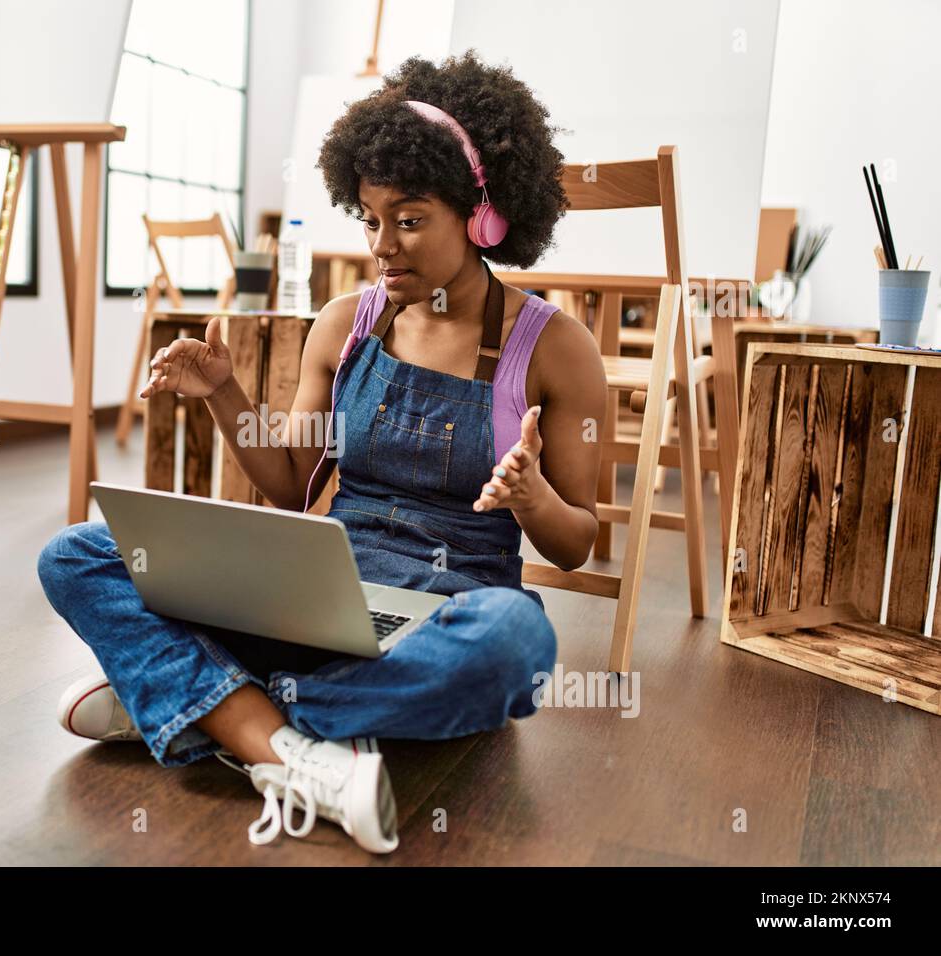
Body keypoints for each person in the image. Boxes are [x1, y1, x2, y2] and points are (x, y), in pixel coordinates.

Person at [38, 50, 606, 854]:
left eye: (410, 220)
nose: (382, 245)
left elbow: (577, 544)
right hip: (313, 595)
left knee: (520, 642)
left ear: (483, 215)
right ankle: (278, 736)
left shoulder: (555, 349)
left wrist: (532, 497)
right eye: (370, 218)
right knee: (75, 554)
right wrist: (224, 397)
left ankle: (211, 709)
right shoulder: (346, 324)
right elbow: (289, 486)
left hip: (446, 615)